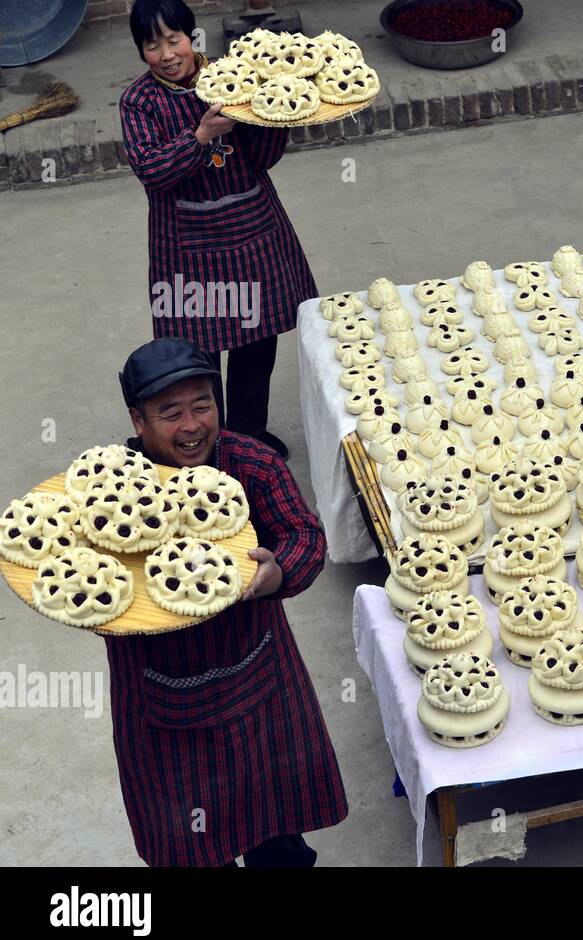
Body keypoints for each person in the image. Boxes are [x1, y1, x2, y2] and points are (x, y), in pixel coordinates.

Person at [108, 337, 347, 866]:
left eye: (203, 405)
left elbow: (304, 535)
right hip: (161, 696)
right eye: (170, 413)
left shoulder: (251, 464)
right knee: (191, 843)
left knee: (275, 830)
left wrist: (278, 570)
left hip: (256, 675)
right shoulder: (111, 492)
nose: (192, 425)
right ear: (138, 421)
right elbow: (74, 574)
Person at [119, 0, 317, 459]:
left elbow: (263, 157)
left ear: (192, 37)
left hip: (253, 231)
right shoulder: (138, 102)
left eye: (175, 40)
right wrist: (200, 136)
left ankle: (248, 437)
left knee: (257, 342)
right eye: (152, 45)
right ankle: (209, 444)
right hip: (187, 245)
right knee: (198, 354)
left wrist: (272, 109)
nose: (167, 54)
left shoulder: (232, 78)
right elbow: (152, 171)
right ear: (141, 52)